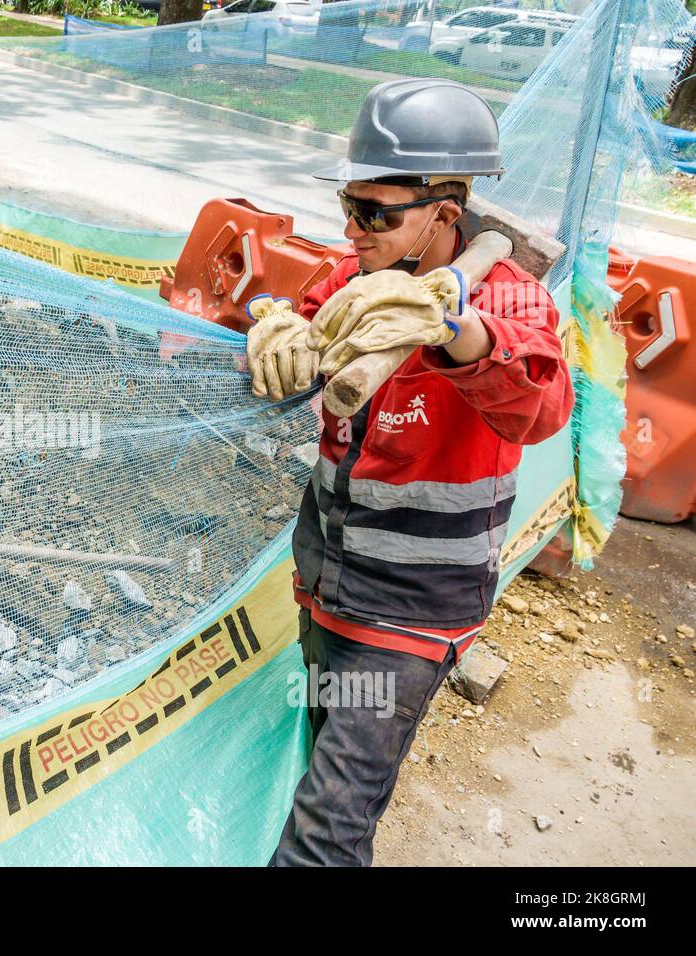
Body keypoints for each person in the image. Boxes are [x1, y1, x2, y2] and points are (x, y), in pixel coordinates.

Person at [245, 78, 573, 866]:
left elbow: (544, 405)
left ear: (443, 214)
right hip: (327, 589)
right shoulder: (356, 280)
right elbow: (295, 308)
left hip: (411, 620)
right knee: (338, 782)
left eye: (376, 214)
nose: (354, 229)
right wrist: (275, 321)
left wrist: (458, 332)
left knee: (323, 836)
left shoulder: (509, 299)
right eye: (348, 206)